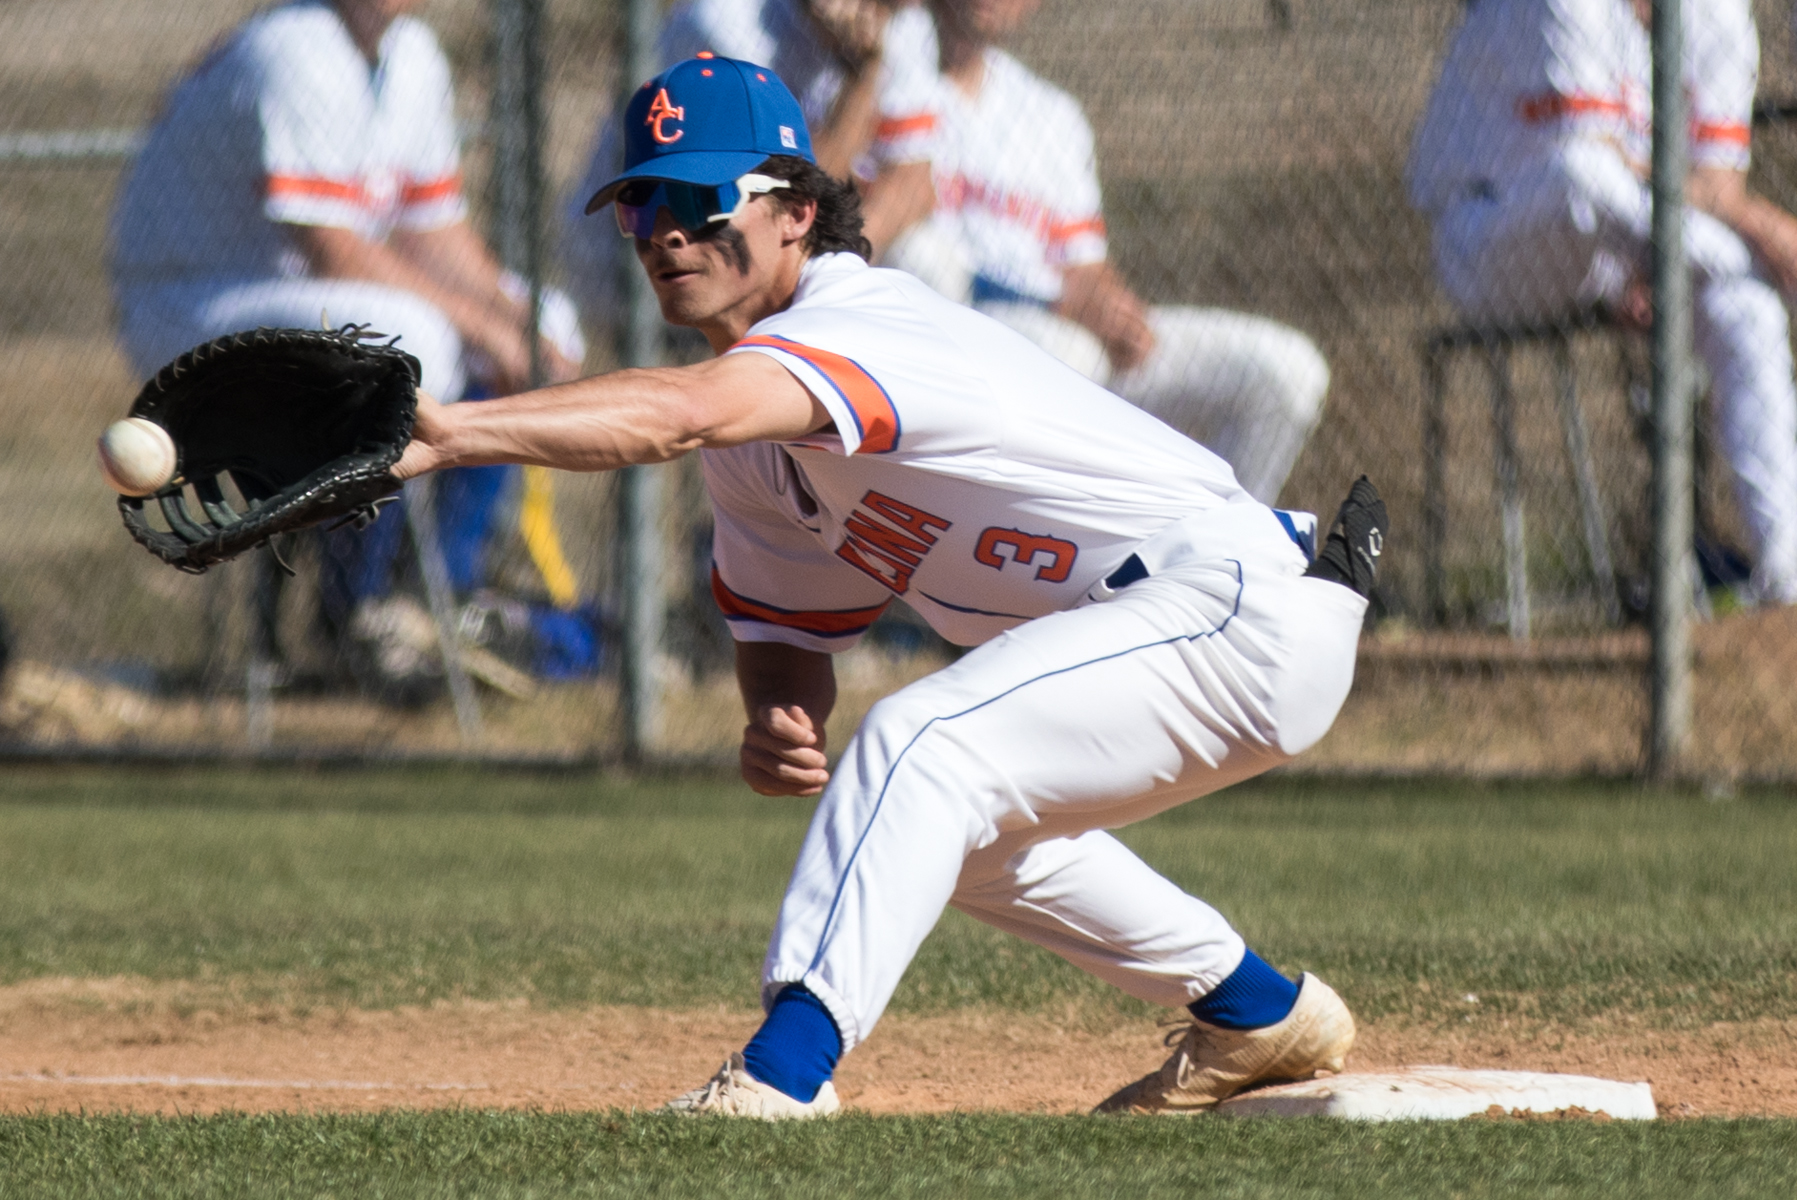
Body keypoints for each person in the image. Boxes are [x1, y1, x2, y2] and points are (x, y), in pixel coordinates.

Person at [393, 54, 1382, 1118]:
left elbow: (678, 413)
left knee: (921, 745)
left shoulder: (857, 323)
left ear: (797, 213)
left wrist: (451, 433)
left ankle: (779, 1082)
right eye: (641, 203)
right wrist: (779, 710)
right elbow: (792, 630)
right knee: (938, 831)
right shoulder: (755, 437)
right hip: (1166, 629)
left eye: (702, 196)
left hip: (1232, 607)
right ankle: (1257, 1010)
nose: (668, 231)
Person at [107, 0, 585, 697]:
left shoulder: (412, 53)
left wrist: (518, 322)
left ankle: (440, 592)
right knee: (415, 338)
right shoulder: (296, 44)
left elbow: (434, 231)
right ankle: (361, 608)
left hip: (293, 296)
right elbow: (327, 245)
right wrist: (482, 329)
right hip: (191, 302)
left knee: (552, 320)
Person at [1407, 0, 1797, 607]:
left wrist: (1662, 256)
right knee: (1581, 173)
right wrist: (1762, 235)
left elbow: (1718, 186)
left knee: (1747, 311)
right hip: (1492, 233)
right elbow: (1589, 161)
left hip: (1629, 240)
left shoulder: (1717, 14)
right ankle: (1732, 265)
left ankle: (1786, 579)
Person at [865, 0, 1330, 506]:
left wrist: (1113, 308)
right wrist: (1058, 305)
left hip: (1067, 351)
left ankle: (1219, 555)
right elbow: (915, 262)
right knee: (1060, 344)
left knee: (1287, 373)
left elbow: (1084, 268)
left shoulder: (1050, 114)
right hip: (962, 354)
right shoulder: (882, 80)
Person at [560, 0, 940, 326]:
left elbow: (915, 184)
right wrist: (862, 75)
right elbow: (786, 196)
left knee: (928, 258)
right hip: (630, 260)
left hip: (744, 251)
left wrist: (837, 273)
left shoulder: (901, 23)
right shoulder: (729, 20)